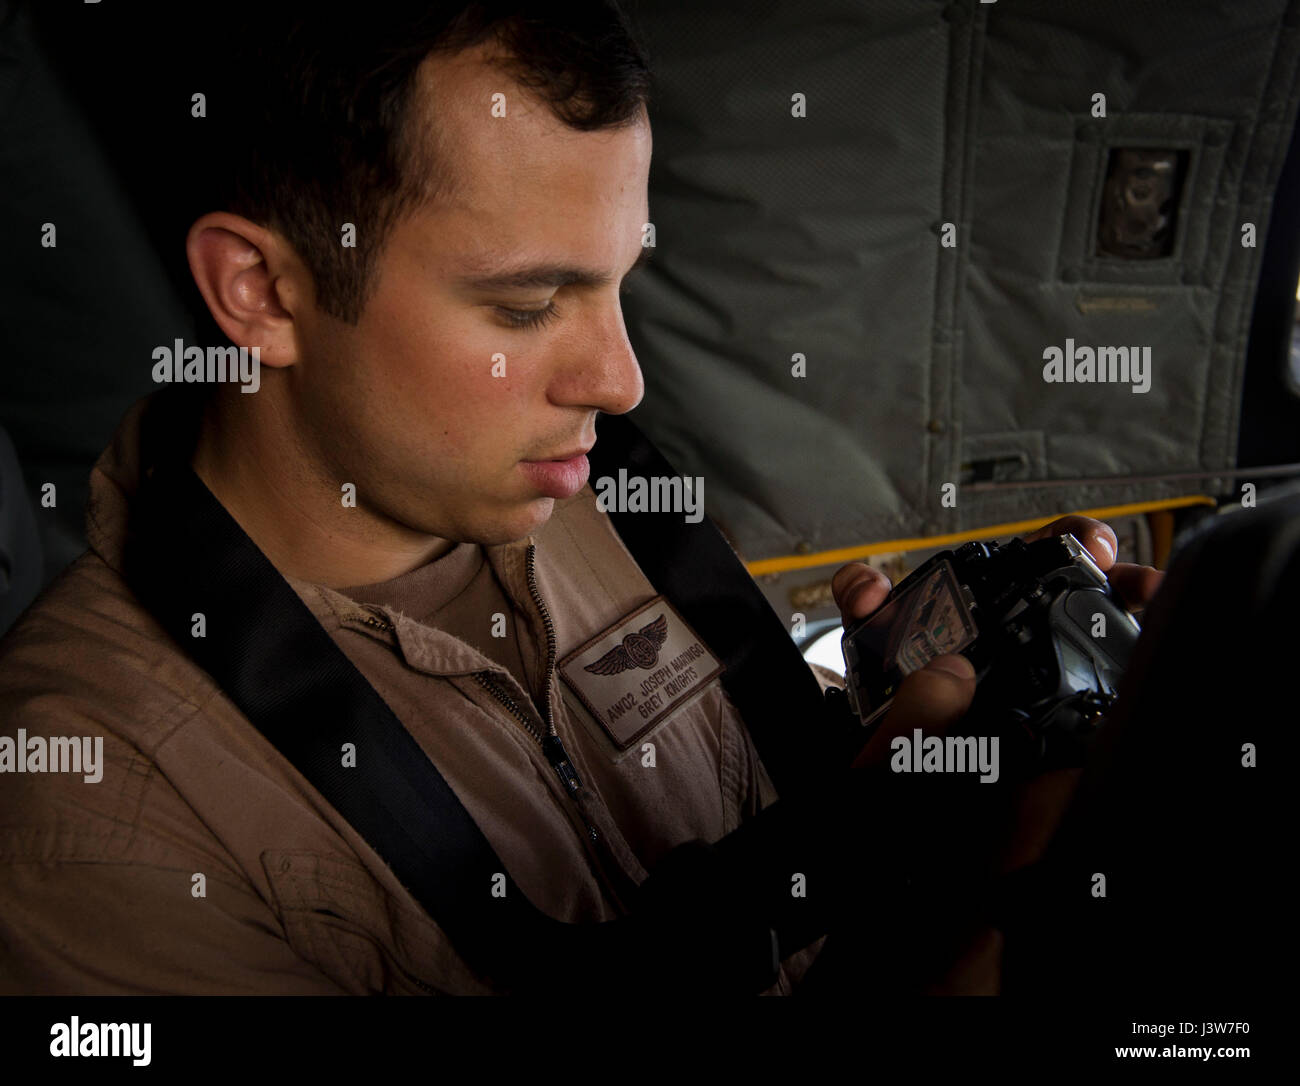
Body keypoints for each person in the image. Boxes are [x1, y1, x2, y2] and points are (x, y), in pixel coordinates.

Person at [0, 2, 1162, 995]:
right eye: (524, 307)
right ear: (261, 290)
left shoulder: (591, 488)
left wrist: (922, 730)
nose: (617, 379)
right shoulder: (95, 806)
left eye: (617, 285)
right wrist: (985, 918)